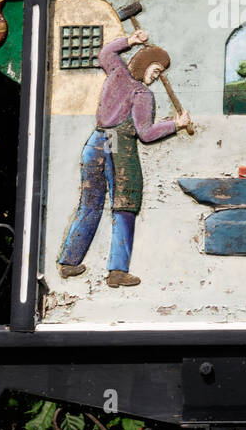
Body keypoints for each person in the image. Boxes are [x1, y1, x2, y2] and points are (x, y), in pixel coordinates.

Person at [58, 28, 191, 287]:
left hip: (95, 143)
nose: (155, 78)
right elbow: (146, 133)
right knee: (124, 205)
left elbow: (105, 52)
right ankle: (117, 272)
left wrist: (130, 40)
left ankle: (68, 262)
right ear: (143, 66)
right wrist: (176, 124)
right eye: (155, 72)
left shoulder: (116, 71)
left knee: (90, 203)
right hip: (119, 148)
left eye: (159, 74)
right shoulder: (142, 94)